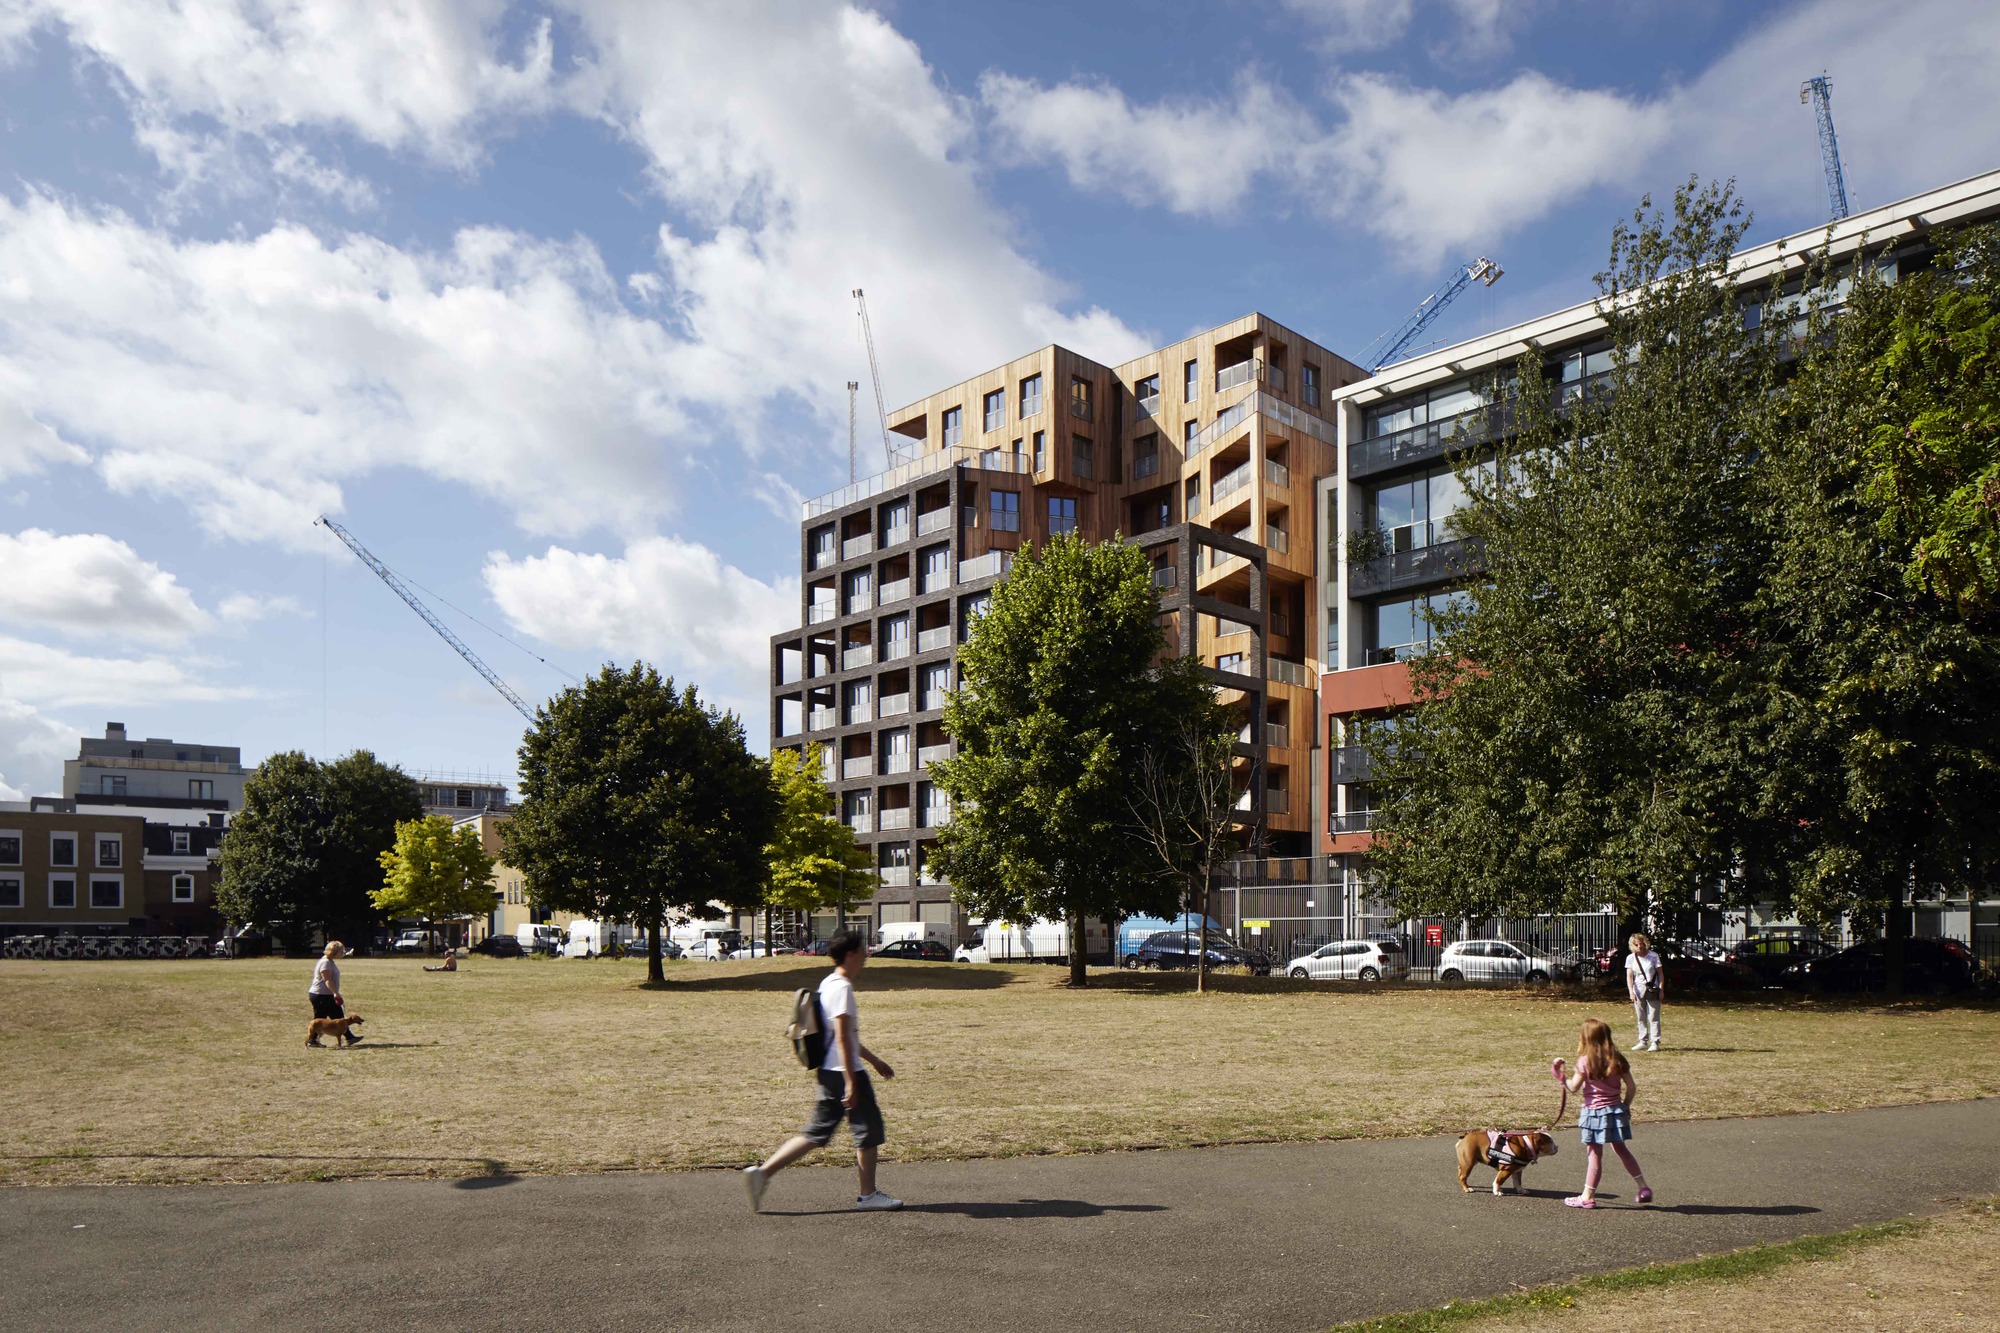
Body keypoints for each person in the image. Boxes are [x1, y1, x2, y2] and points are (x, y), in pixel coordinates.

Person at [741, 929, 901, 1213]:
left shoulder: (828, 983)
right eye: (862, 951)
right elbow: (841, 1037)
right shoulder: (842, 988)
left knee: (817, 1133)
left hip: (829, 1071)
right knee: (868, 1132)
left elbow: (845, 1037)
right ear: (851, 954)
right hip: (845, 1072)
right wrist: (852, 1082)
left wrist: (875, 1061)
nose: (866, 956)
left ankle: (762, 1173)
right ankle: (868, 1195)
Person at [1555, 1018, 1651, 1209]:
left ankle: (1587, 1196)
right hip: (1615, 1112)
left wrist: (1558, 1075)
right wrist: (1625, 1105)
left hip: (1593, 1114)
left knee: (1594, 1154)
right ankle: (1643, 1187)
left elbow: (1573, 1087)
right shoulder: (1618, 1059)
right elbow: (1631, 1087)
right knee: (1621, 1149)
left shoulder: (1585, 1061)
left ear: (1586, 1039)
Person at [308, 941, 362, 1044]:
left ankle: (350, 1038)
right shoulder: (325, 963)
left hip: (327, 994)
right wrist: (335, 993)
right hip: (321, 995)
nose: (343, 953)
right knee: (320, 1018)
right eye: (341, 951)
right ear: (335, 952)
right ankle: (312, 1040)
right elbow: (327, 980)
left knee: (338, 1015)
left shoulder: (329, 961)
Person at [1625, 932, 1664, 1052]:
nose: (1639, 946)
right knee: (1640, 1017)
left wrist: (1661, 990)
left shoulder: (1653, 956)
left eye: (1641, 944)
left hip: (1652, 989)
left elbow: (1660, 974)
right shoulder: (1631, 958)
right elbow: (1630, 976)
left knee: (1653, 1016)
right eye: (1636, 944)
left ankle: (1655, 1041)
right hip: (1638, 990)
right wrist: (1631, 992)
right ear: (1633, 945)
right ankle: (1643, 1040)